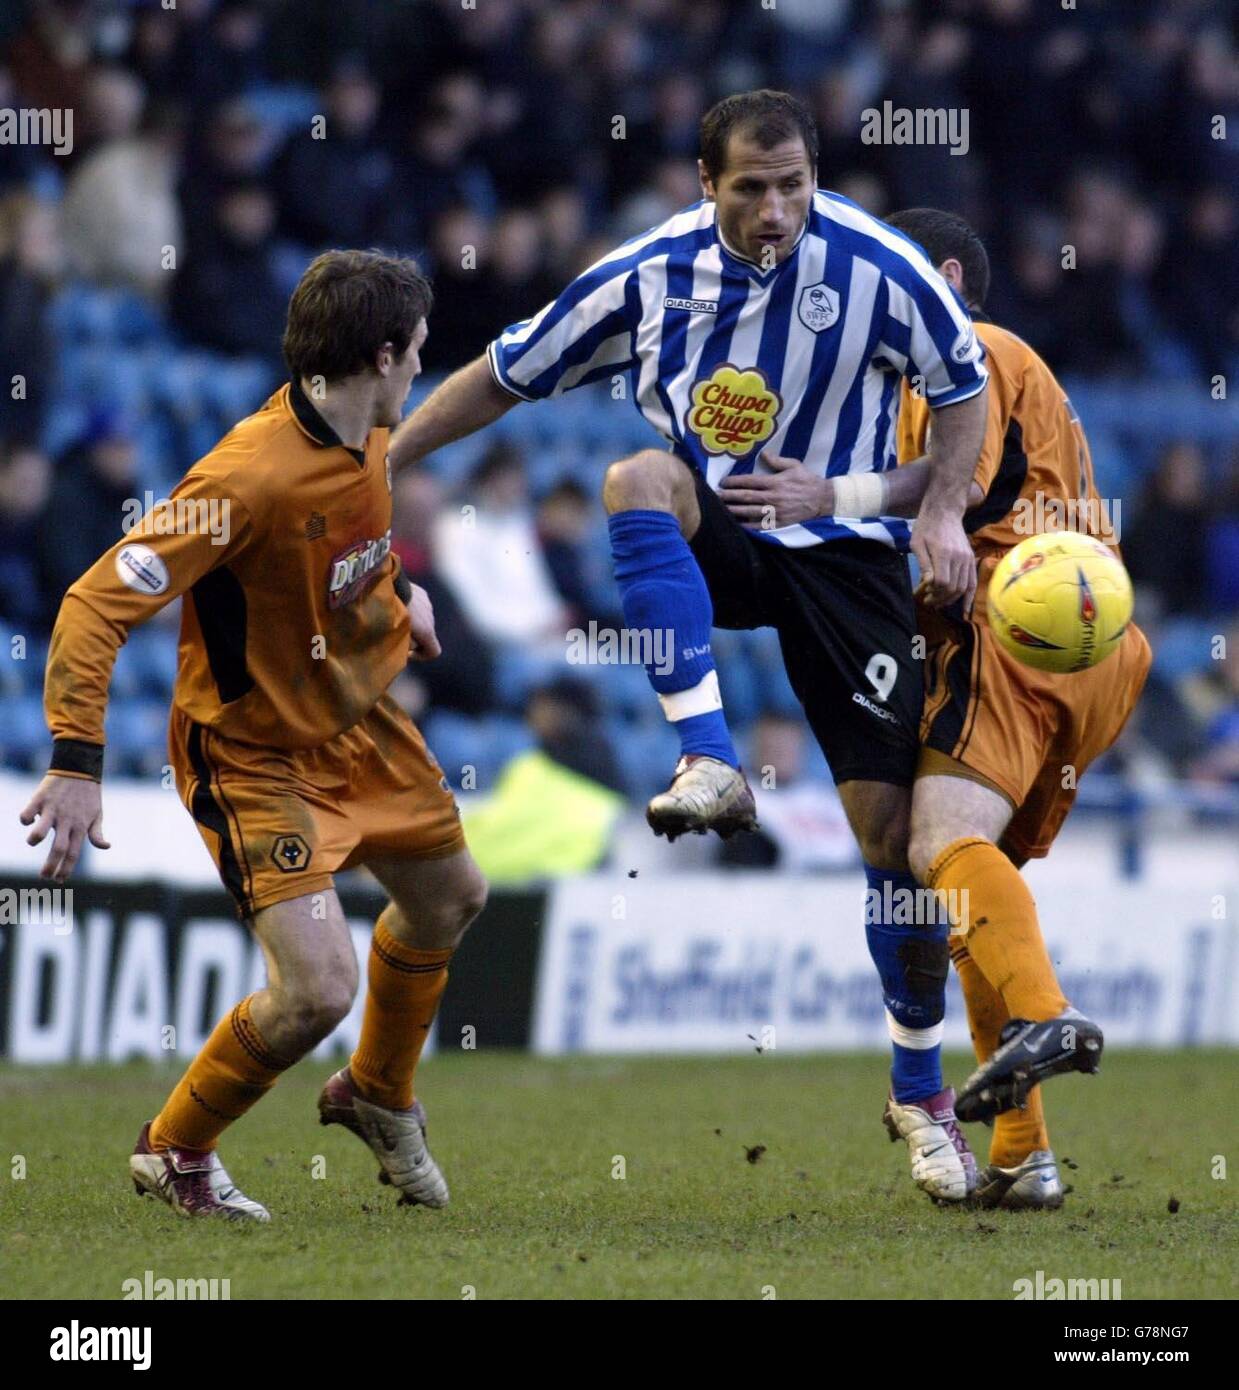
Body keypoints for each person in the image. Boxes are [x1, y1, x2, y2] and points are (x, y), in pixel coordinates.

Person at [392, 89, 990, 1203]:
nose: (775, 210)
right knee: (637, 476)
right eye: (752, 188)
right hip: (721, 529)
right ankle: (705, 755)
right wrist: (383, 462)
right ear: (705, 184)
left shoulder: (880, 265)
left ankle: (920, 1090)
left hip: (848, 557)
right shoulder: (646, 272)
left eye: (794, 185)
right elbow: (504, 371)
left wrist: (941, 513)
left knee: (896, 840)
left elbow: (966, 393)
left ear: (817, 176)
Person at [22, 251, 488, 1221]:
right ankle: (174, 1148)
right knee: (315, 988)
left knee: (450, 897)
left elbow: (341, 553)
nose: (421, 369)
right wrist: (75, 758)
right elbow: (91, 604)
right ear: (383, 353)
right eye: (418, 353)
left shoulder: (372, 425)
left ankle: (376, 1092)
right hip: (254, 751)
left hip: (362, 720)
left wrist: (405, 592)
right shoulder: (243, 477)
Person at [882, 207, 1152, 1208]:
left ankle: (1046, 1016)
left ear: (945, 273)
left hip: (1023, 612)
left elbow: (963, 493)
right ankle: (1023, 1154)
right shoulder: (1005, 364)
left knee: (939, 841)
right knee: (972, 892)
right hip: (1099, 636)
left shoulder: (971, 350)